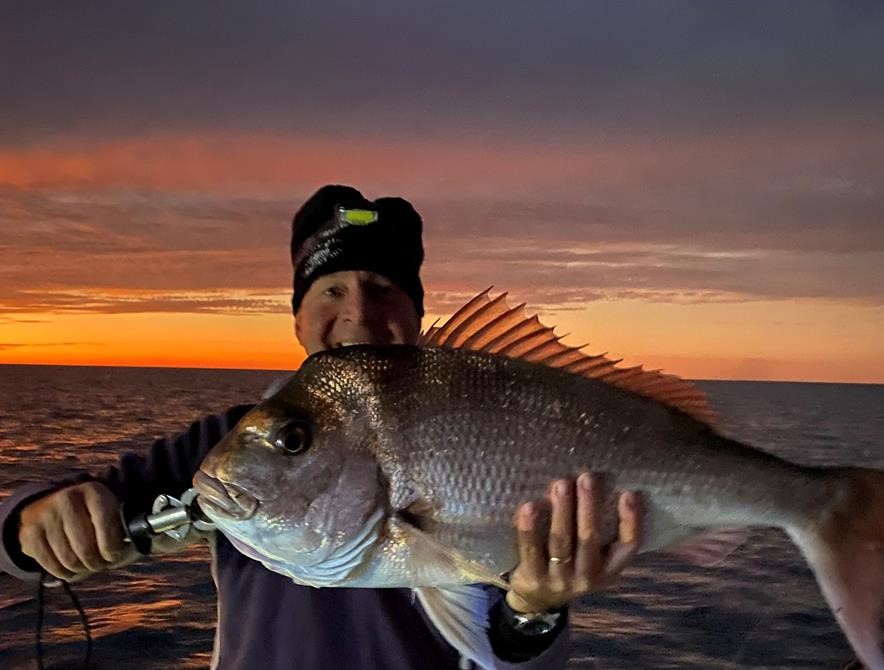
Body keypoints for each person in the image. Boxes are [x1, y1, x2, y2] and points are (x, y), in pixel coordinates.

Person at [0, 185, 643, 669]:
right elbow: (21, 549)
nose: (359, 314)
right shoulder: (233, 443)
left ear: (415, 315)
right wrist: (34, 515)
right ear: (299, 319)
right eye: (331, 290)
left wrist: (534, 613)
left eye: (383, 287)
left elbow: (511, 657)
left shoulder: (495, 410)